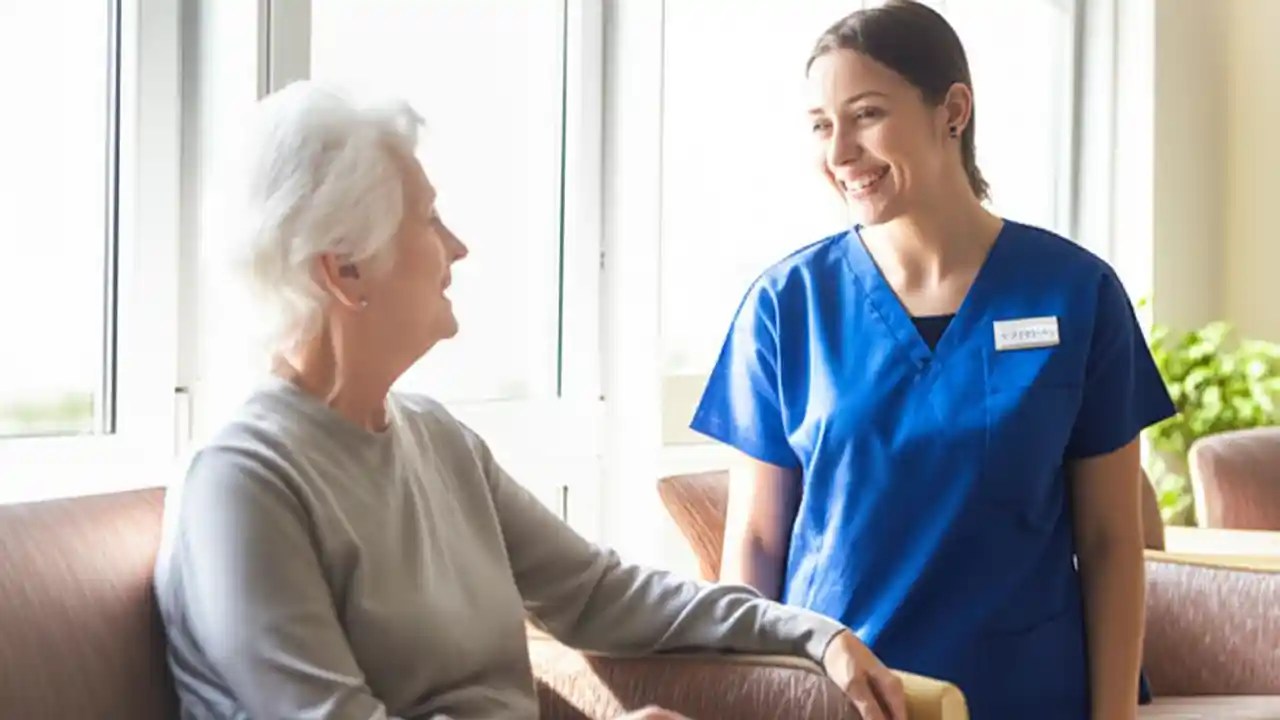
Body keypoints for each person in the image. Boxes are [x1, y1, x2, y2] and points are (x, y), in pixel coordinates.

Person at [153, 80, 908, 720]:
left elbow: (602, 594)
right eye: (428, 220)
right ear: (345, 272)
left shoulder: (434, 437)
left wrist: (813, 634)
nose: (457, 247)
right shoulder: (242, 483)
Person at [690, 3, 1175, 719]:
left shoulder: (1077, 295)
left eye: (867, 115)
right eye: (822, 125)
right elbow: (757, 545)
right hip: (841, 699)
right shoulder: (785, 306)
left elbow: (1110, 540)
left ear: (953, 110)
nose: (840, 151)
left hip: (1028, 698)